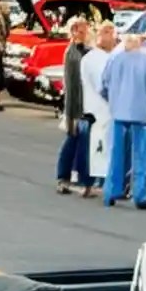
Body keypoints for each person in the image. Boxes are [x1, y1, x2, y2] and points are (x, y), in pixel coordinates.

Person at [100, 34, 146, 208]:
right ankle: (141, 194)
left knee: (116, 155)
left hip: (118, 114)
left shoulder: (114, 60)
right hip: (141, 115)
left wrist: (114, 101)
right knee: (142, 156)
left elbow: (103, 86)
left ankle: (111, 192)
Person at [56, 18, 94, 196]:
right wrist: (72, 113)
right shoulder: (73, 53)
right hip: (77, 107)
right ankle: (66, 177)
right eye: (82, 30)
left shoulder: (84, 51)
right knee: (74, 142)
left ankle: (68, 178)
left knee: (77, 143)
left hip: (84, 106)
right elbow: (72, 86)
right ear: (74, 31)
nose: (86, 33)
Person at [81, 22, 118, 193]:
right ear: (99, 36)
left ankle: (102, 178)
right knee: (99, 144)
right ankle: (98, 180)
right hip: (98, 109)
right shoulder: (94, 58)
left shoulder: (111, 56)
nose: (111, 36)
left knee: (105, 145)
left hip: (108, 110)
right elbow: (102, 85)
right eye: (106, 32)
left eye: (112, 32)